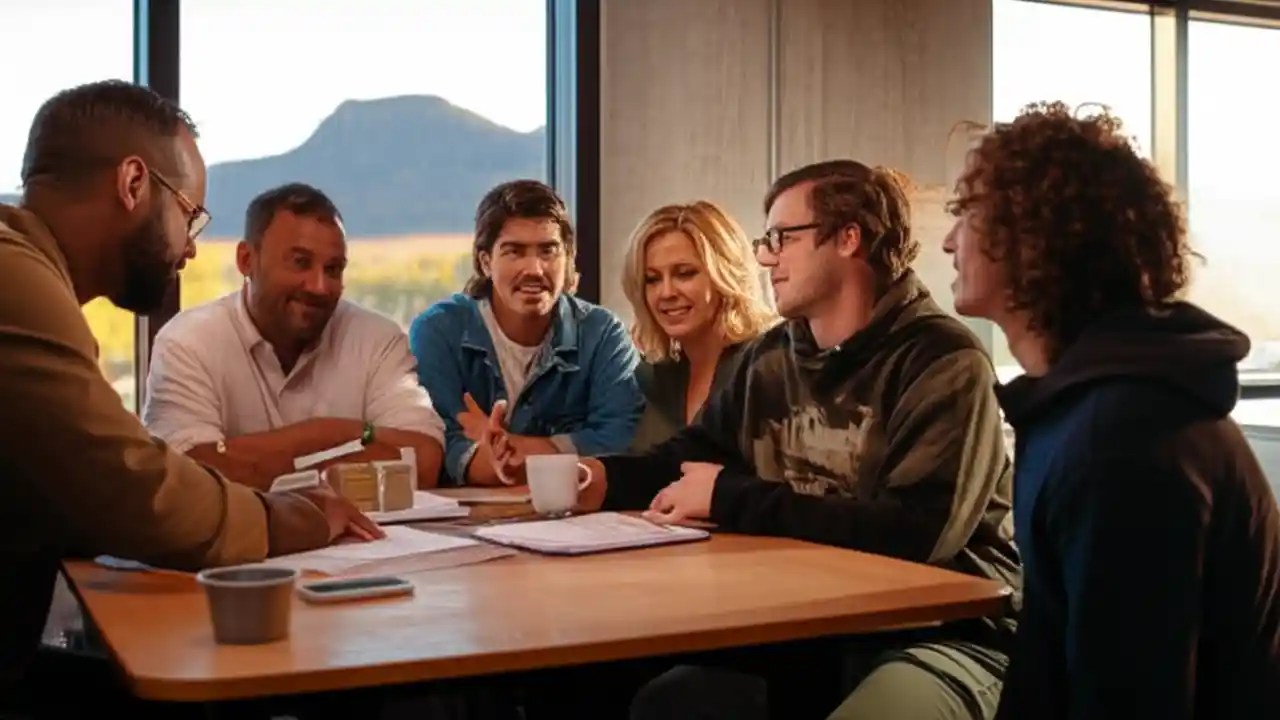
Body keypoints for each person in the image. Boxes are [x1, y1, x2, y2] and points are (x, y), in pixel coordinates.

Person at [489, 160, 1020, 719]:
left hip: (946, 633)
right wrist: (601, 479)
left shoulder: (942, 361)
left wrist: (730, 497)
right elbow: (694, 455)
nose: (766, 257)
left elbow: (919, 535)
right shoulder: (774, 357)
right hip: (811, 625)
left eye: (782, 239)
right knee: (644, 697)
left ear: (848, 239)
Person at [0, 81, 378, 706]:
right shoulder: (16, 283)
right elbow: (134, 493)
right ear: (132, 184)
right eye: (188, 212)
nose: (191, 245)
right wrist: (299, 516)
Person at [944, 101, 1280, 719]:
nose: (947, 240)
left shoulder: (1120, 444)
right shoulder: (1088, 411)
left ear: (1032, 234)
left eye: (966, 214)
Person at [143, 182, 447, 490]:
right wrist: (334, 436)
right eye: (300, 262)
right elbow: (189, 477)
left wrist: (249, 459)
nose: (319, 286)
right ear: (247, 260)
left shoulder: (377, 339)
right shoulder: (188, 342)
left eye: (333, 269)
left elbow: (423, 461)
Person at [408, 179, 643, 486]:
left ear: (568, 260)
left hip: (572, 516)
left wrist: (509, 446)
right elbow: (439, 445)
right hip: (465, 518)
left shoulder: (602, 334)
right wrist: (560, 452)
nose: (534, 269)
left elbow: (618, 441)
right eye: (514, 252)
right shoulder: (439, 331)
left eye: (548, 251)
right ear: (485, 262)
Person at [621, 200, 778, 452]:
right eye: (652, 279)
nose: (667, 292)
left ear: (725, 276)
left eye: (684, 273)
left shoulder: (766, 367)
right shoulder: (652, 379)